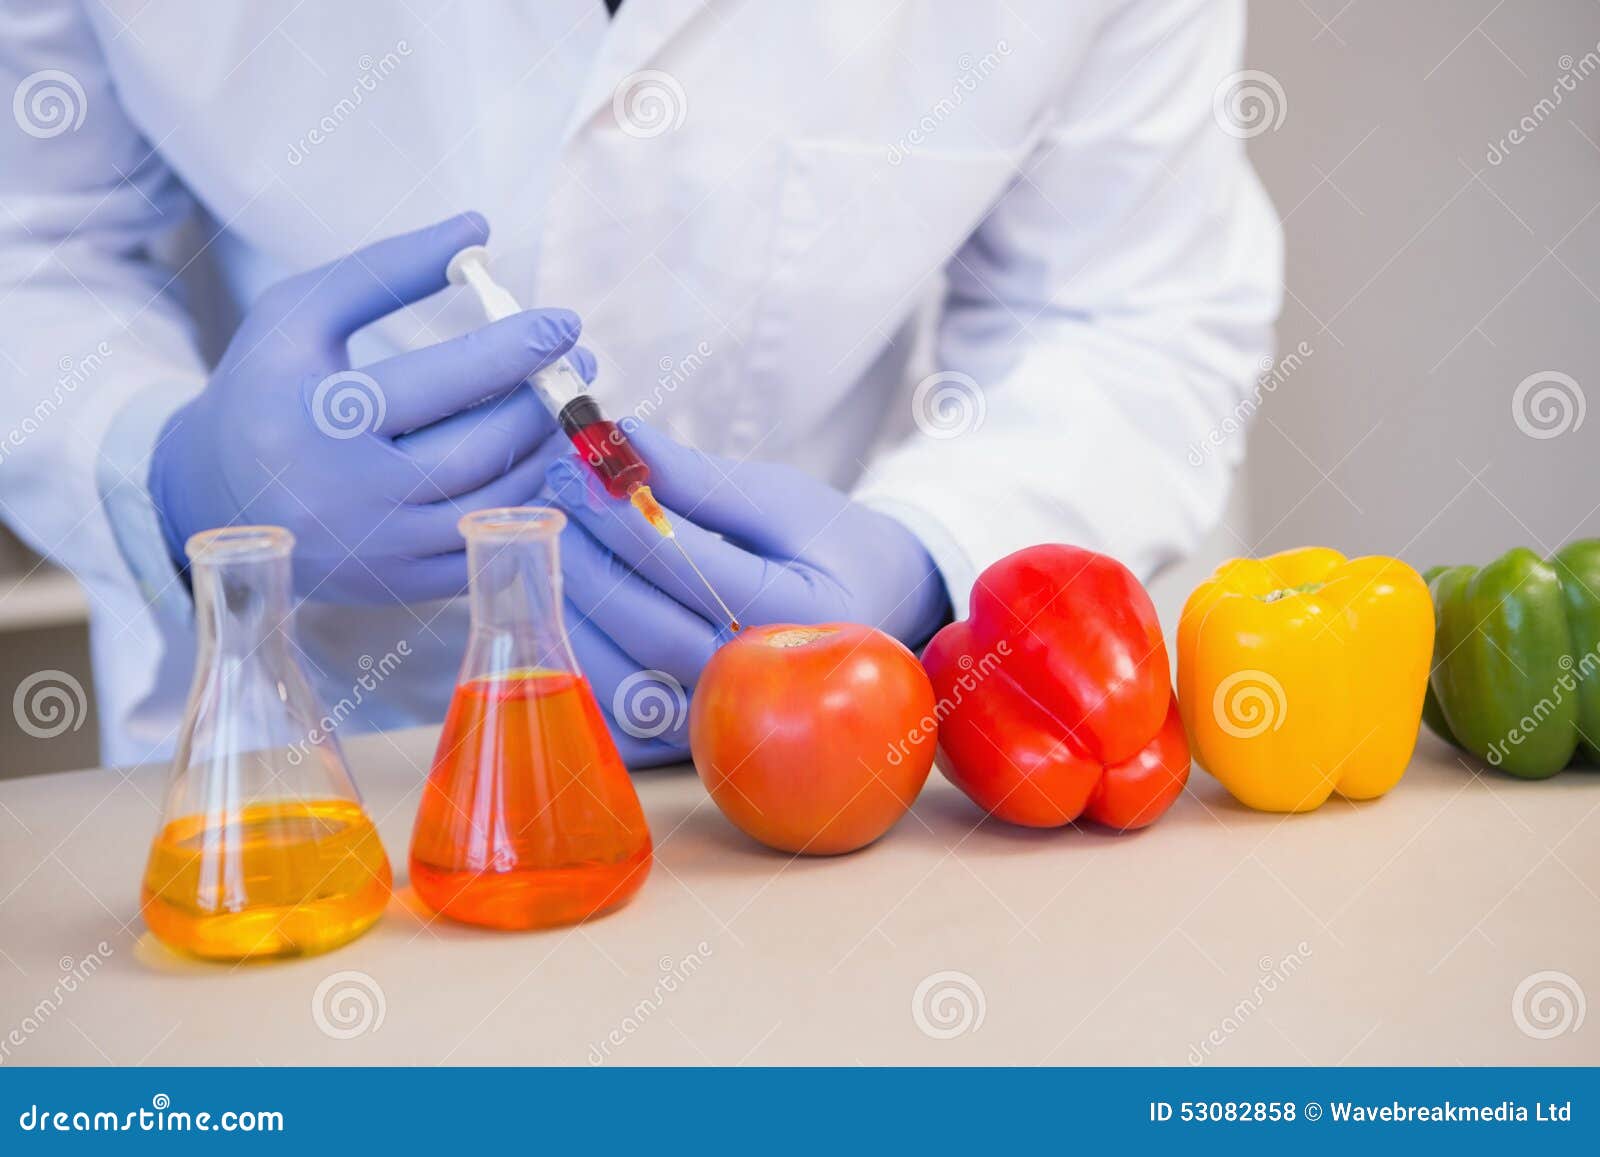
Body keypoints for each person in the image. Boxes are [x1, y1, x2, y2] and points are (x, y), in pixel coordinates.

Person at [0, 1, 1280, 768]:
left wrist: (926, 561)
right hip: (324, 755)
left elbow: (1127, 303)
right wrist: (162, 471)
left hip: (818, 766)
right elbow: (27, 246)